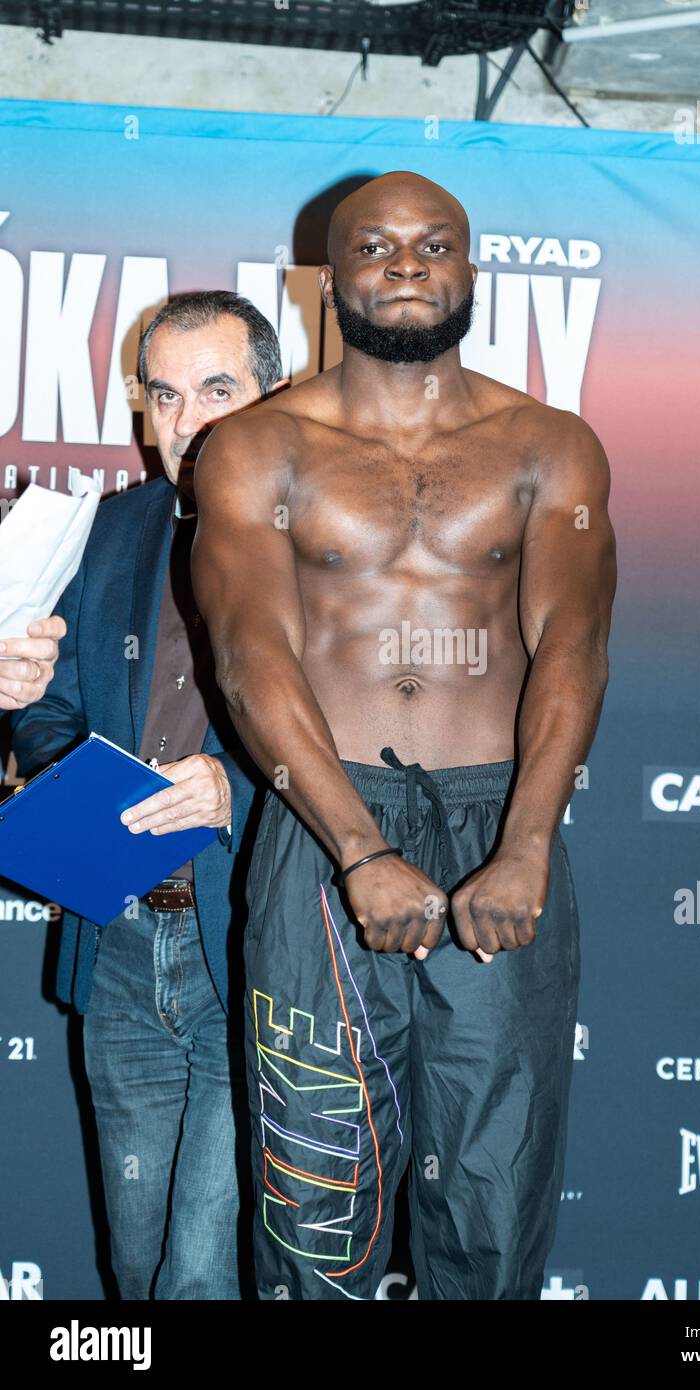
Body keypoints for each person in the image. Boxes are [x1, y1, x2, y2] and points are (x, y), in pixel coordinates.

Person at [192, 172, 617, 1301]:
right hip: (323, 834)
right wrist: (357, 850)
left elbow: (570, 645)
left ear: (469, 272)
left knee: (493, 1190)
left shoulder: (549, 444)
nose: (407, 264)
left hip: (498, 823)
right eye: (376, 246)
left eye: (434, 246)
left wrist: (526, 841)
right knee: (314, 1200)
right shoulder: (255, 448)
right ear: (330, 281)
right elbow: (250, 657)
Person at [12, 290, 284, 1300]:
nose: (184, 421)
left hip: (249, 947)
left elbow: (379, 754)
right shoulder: (109, 528)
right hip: (118, 944)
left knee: (200, 1272)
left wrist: (236, 789)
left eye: (216, 389)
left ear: (276, 394)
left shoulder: (331, 545)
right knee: (139, 1271)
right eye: (161, 395)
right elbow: (49, 714)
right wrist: (55, 754)